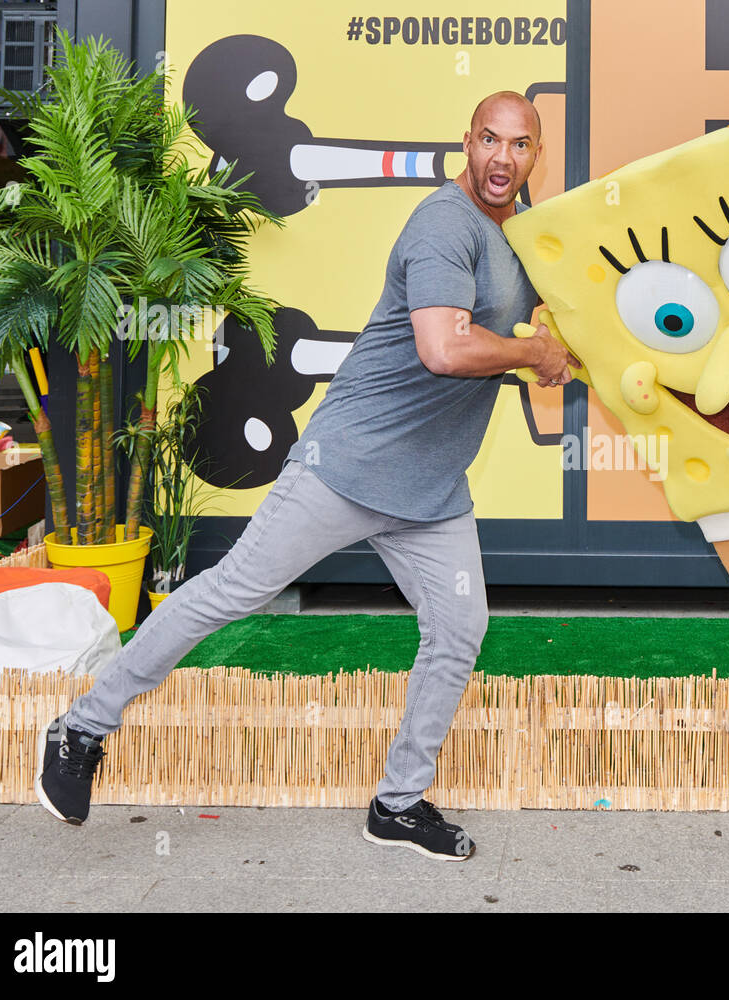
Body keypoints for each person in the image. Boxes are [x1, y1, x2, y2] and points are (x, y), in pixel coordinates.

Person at [36, 91, 579, 862]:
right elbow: (445, 349)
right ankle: (83, 726)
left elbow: (550, 331)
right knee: (231, 592)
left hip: (430, 493)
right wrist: (533, 355)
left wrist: (566, 349)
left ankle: (397, 802)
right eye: (489, 139)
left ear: (537, 155)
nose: (502, 158)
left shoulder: (518, 235)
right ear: (467, 142)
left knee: (459, 630)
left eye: (519, 144)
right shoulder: (443, 225)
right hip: (349, 467)